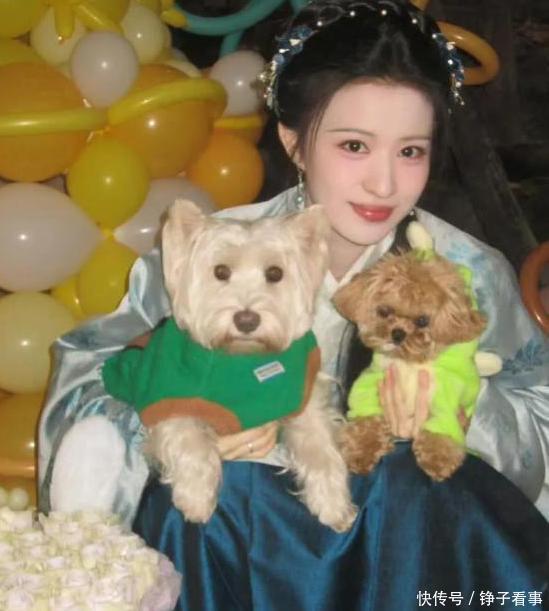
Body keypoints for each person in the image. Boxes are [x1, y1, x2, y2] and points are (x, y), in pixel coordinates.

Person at [39, 1, 549, 608]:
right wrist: (173, 431)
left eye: (411, 151)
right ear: (294, 142)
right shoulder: (208, 258)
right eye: (355, 146)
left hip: (406, 557)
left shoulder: (465, 273)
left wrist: (468, 405)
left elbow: (540, 416)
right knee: (208, 502)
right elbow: (87, 384)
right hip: (237, 548)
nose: (385, 183)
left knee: (406, 478)